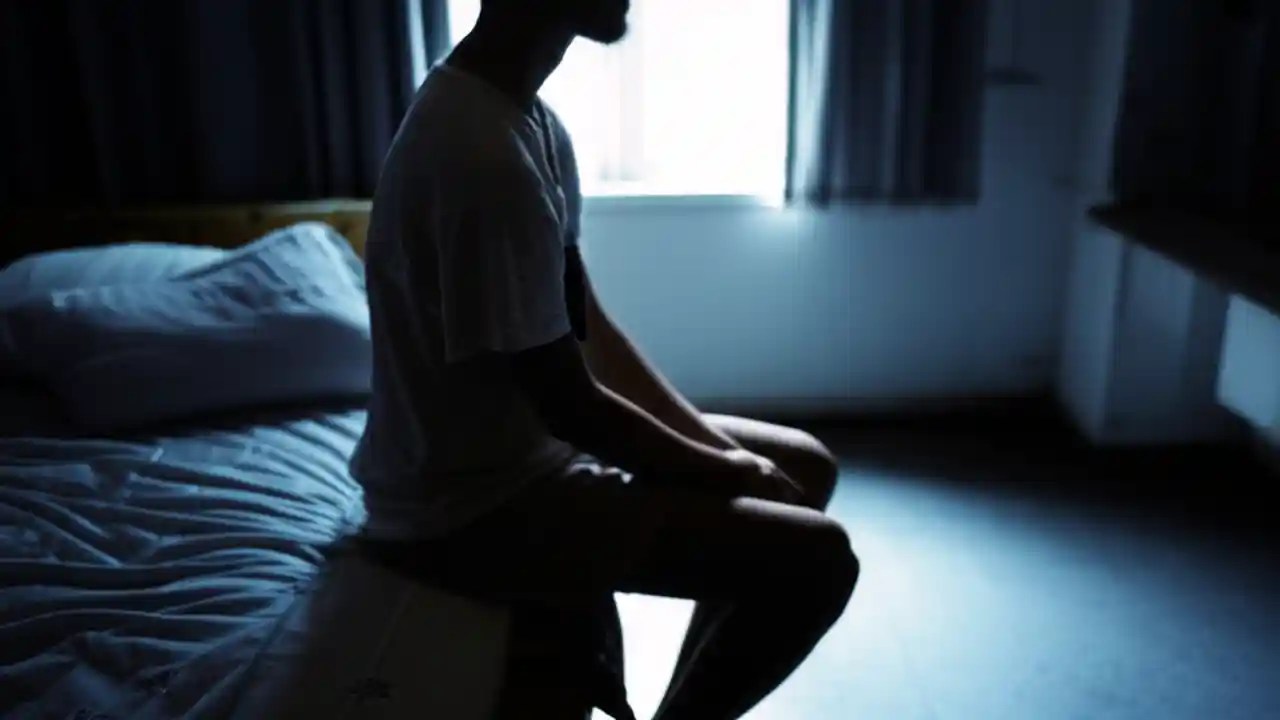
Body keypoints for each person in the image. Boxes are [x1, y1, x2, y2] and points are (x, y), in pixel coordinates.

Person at [350, 0, 859, 717]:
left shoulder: (528, 120)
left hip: (526, 459)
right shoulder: (479, 155)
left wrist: (715, 449)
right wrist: (728, 469)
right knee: (819, 561)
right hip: (465, 505)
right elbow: (568, 403)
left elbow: (587, 330)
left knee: (804, 463)